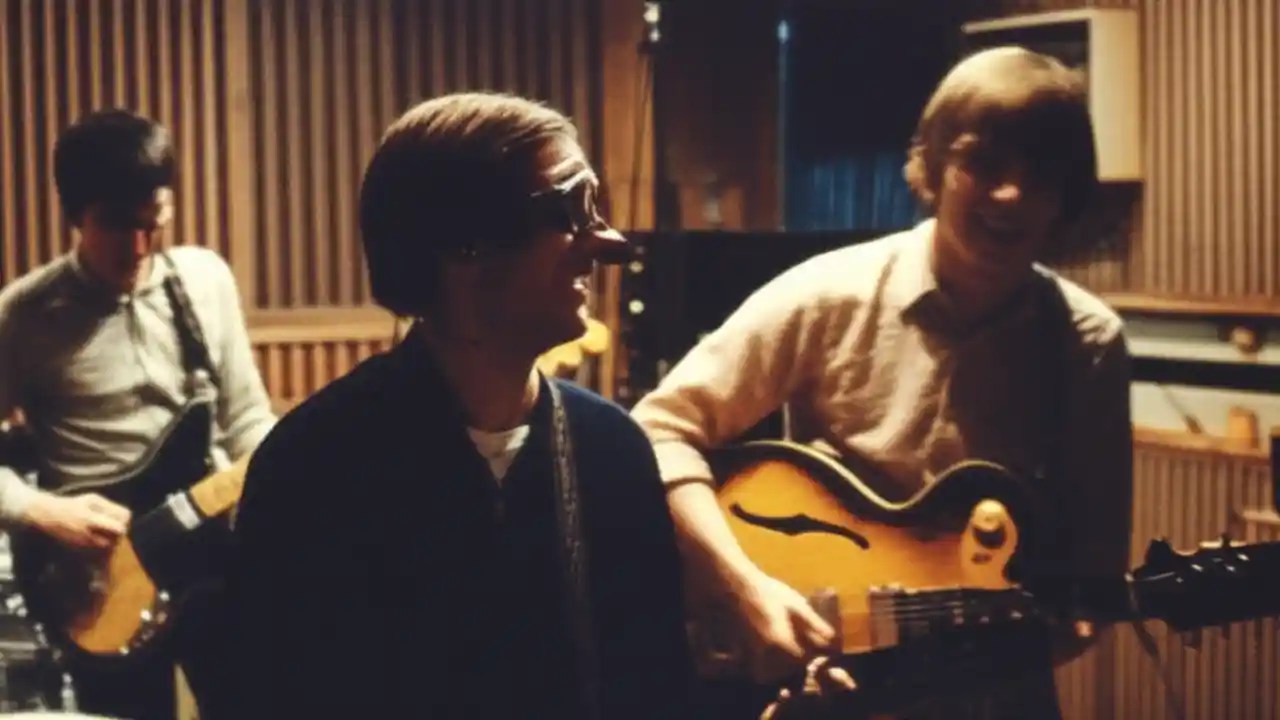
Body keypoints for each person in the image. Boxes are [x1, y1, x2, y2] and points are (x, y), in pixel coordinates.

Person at [631, 46, 1134, 719]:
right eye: (981, 164)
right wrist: (745, 587)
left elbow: (1089, 591)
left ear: (1066, 195)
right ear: (930, 165)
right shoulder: (826, 295)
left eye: (1040, 174)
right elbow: (658, 430)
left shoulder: (1089, 340)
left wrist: (966, 656)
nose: (1010, 194)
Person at [225, 92, 695, 719]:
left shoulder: (612, 453)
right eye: (569, 209)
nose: (605, 241)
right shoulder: (311, 465)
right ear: (464, 248)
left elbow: (657, 691)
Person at [0, 109, 277, 718]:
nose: (139, 247)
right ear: (74, 216)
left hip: (207, 554)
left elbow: (248, 417)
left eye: (155, 225)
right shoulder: (23, 315)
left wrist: (283, 469)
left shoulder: (205, 281)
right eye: (118, 226)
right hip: (97, 580)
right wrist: (43, 510)